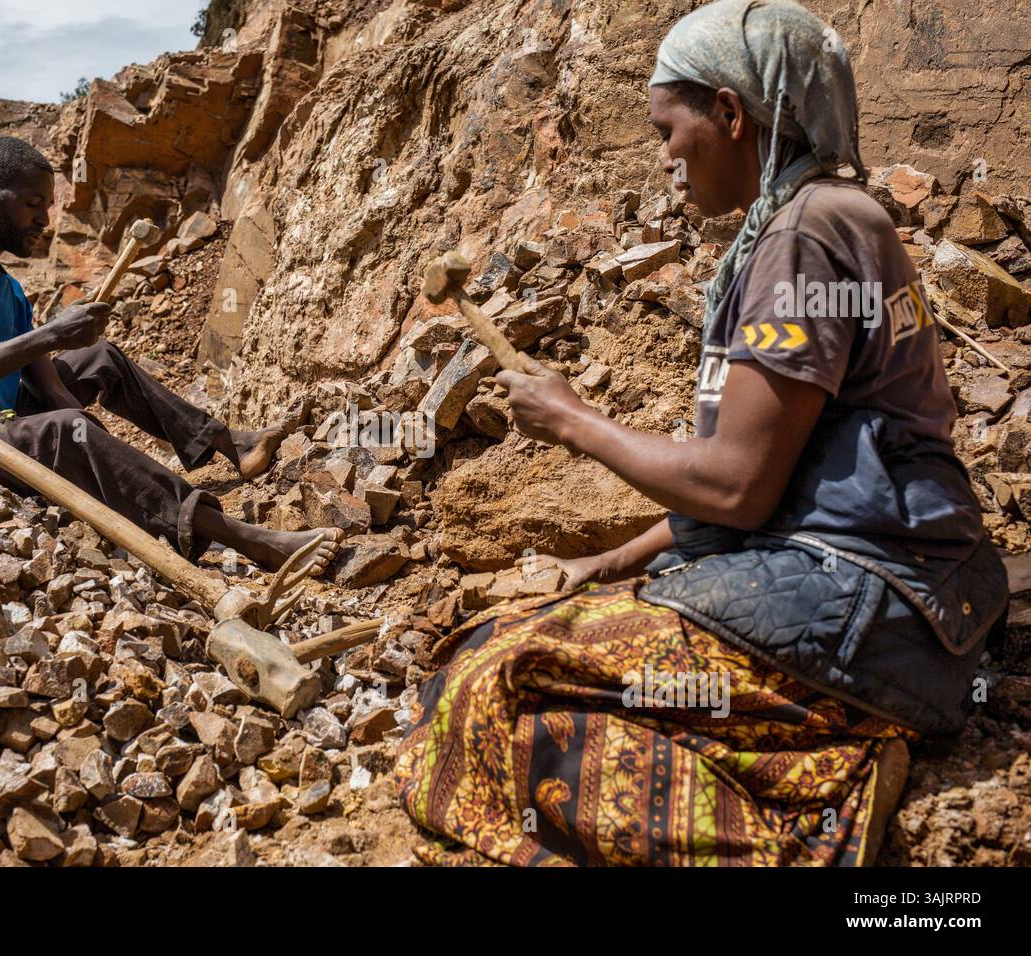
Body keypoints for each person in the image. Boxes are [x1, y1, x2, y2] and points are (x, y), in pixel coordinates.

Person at [393, 0, 1008, 866]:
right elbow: (771, 481)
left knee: (486, 687)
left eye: (666, 130)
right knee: (521, 641)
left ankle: (792, 836)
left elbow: (734, 487)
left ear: (729, 113)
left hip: (871, 609)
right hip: (894, 594)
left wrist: (573, 421)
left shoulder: (807, 234)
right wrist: (607, 564)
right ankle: (810, 757)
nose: (663, 160)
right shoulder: (817, 219)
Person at [0, 136, 341, 574]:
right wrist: (53, 353)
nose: (43, 221)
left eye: (47, 206)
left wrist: (83, 422)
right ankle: (243, 537)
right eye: (31, 204)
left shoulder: (8, 290)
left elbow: (47, 385)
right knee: (66, 431)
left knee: (98, 358)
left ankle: (225, 442)